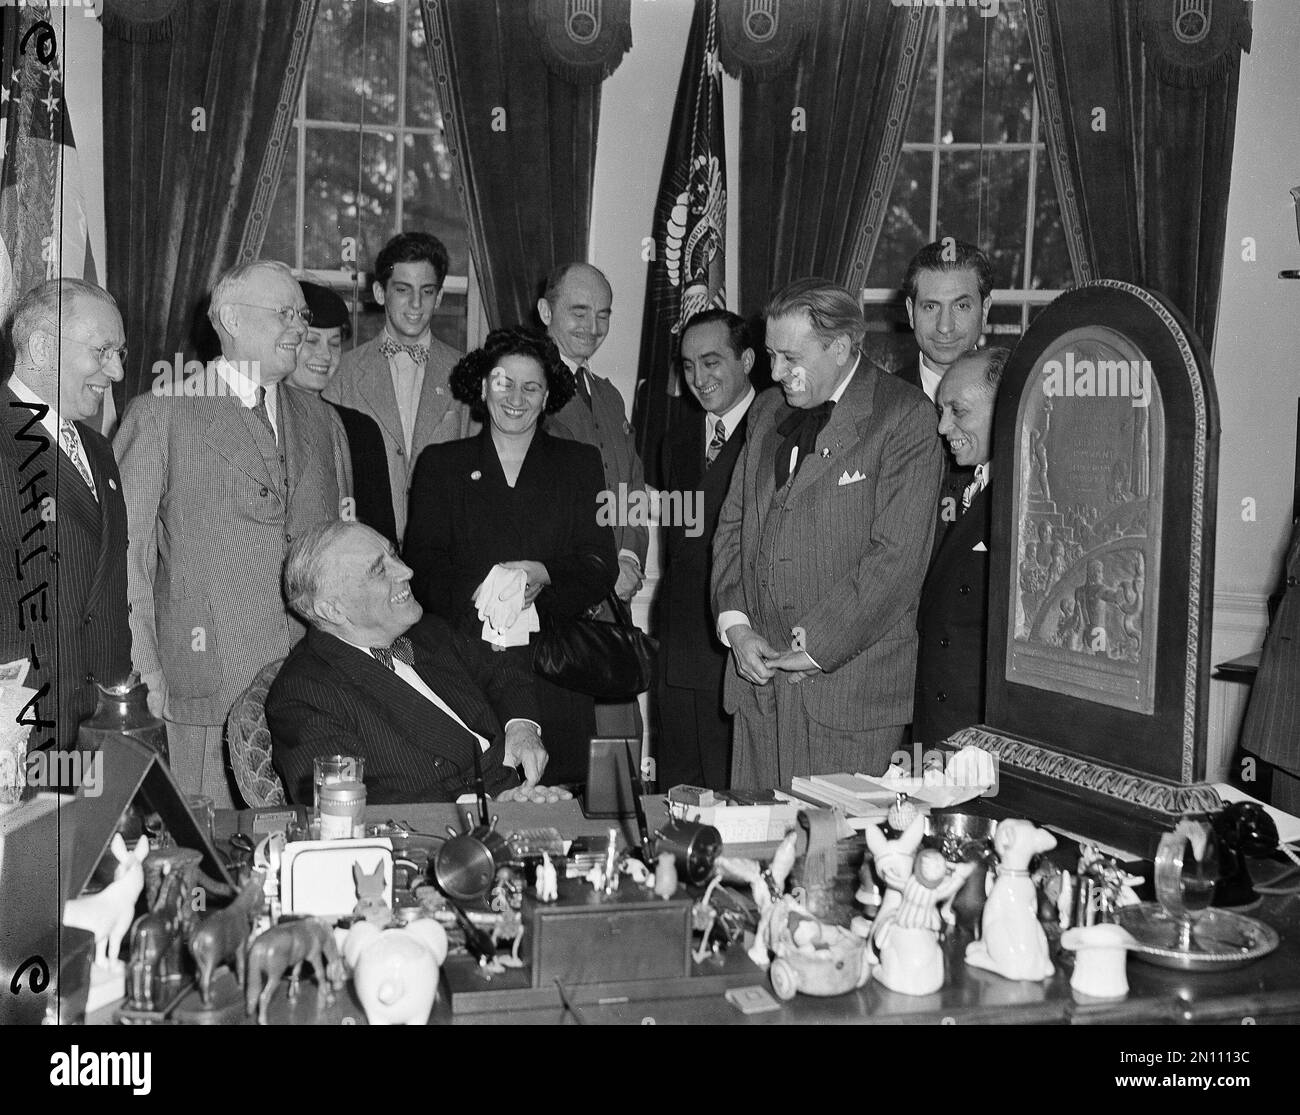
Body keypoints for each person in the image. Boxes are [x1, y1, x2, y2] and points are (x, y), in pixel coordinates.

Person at [115, 260, 352, 805]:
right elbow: (127, 560)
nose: (298, 327)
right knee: (210, 861)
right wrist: (146, 670)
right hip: (204, 690)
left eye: (302, 313)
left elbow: (342, 551)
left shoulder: (323, 423)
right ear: (230, 321)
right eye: (283, 313)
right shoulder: (162, 413)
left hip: (310, 690)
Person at [712, 278, 943, 788]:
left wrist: (816, 647)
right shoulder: (767, 410)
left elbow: (897, 560)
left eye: (790, 358)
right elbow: (734, 526)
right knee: (754, 855)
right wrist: (737, 626)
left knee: (828, 860)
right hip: (758, 690)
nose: (775, 373)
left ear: (840, 348)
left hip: (847, 695)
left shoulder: (904, 417)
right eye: (771, 355)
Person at [403, 327, 617, 783]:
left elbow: (599, 567)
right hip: (466, 667)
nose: (515, 397)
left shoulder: (579, 464)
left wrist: (542, 575)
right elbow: (421, 569)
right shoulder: (441, 464)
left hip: (556, 669)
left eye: (531, 387)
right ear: (483, 387)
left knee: (558, 810)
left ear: (546, 397)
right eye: (504, 382)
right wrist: (486, 593)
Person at [266, 521, 549, 804]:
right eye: (380, 570)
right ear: (332, 609)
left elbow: (503, 669)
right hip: (443, 831)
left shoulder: (424, 630)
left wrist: (522, 727)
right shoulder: (304, 693)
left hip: (521, 798)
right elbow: (345, 804)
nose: (407, 571)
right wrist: (480, 805)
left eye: (394, 555)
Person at [1, 279, 131, 750]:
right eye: (102, 351)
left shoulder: (97, 450)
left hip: (103, 730)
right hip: (21, 740)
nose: (115, 371)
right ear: (41, 347)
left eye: (120, 352)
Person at [539, 262, 647, 742]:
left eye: (602, 315)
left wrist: (627, 556)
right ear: (545, 311)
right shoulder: (526, 391)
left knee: (619, 747)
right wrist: (601, 569)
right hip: (561, 601)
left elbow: (633, 489)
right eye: (578, 312)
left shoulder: (607, 395)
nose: (592, 327)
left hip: (613, 599)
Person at [655, 309, 759, 790]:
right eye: (689, 365)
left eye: (712, 362)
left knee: (733, 797)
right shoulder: (675, 435)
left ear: (749, 360)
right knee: (678, 795)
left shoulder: (778, 430)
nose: (698, 378)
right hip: (677, 645)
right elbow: (678, 538)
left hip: (737, 651)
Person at [323, 232, 475, 544]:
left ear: (440, 296)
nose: (416, 305)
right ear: (380, 292)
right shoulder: (341, 373)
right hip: (366, 547)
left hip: (444, 548)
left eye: (427, 291)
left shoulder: (467, 374)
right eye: (403, 290)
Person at [913, 348, 1008, 747]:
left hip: (978, 736)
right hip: (942, 723)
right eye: (941, 411)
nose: (942, 427)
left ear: (1008, 408)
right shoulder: (976, 482)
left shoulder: (1022, 497)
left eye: (959, 411)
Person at [290, 280, 397, 542]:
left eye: (334, 343)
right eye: (312, 341)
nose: (325, 355)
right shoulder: (259, 420)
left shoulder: (359, 430)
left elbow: (381, 536)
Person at [898, 238, 993, 403]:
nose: (945, 326)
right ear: (910, 313)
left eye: (961, 306)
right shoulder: (879, 402)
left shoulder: (1014, 396)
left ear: (984, 310)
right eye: (931, 307)